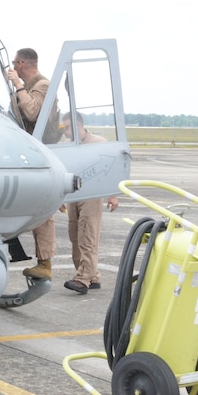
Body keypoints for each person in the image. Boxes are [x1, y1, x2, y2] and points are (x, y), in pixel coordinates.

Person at [6, 48, 56, 280]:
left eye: (15, 63)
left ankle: (45, 264)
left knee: (44, 209)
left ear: (22, 63)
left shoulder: (43, 85)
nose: (12, 68)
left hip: (42, 154)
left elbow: (33, 113)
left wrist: (18, 85)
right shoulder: (32, 87)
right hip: (26, 152)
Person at [60, 112, 119, 295]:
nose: (64, 132)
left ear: (78, 125)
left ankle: (83, 279)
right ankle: (92, 276)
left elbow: (111, 169)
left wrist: (112, 195)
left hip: (92, 196)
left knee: (87, 236)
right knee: (74, 236)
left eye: (67, 127)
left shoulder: (98, 143)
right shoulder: (66, 146)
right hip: (74, 196)